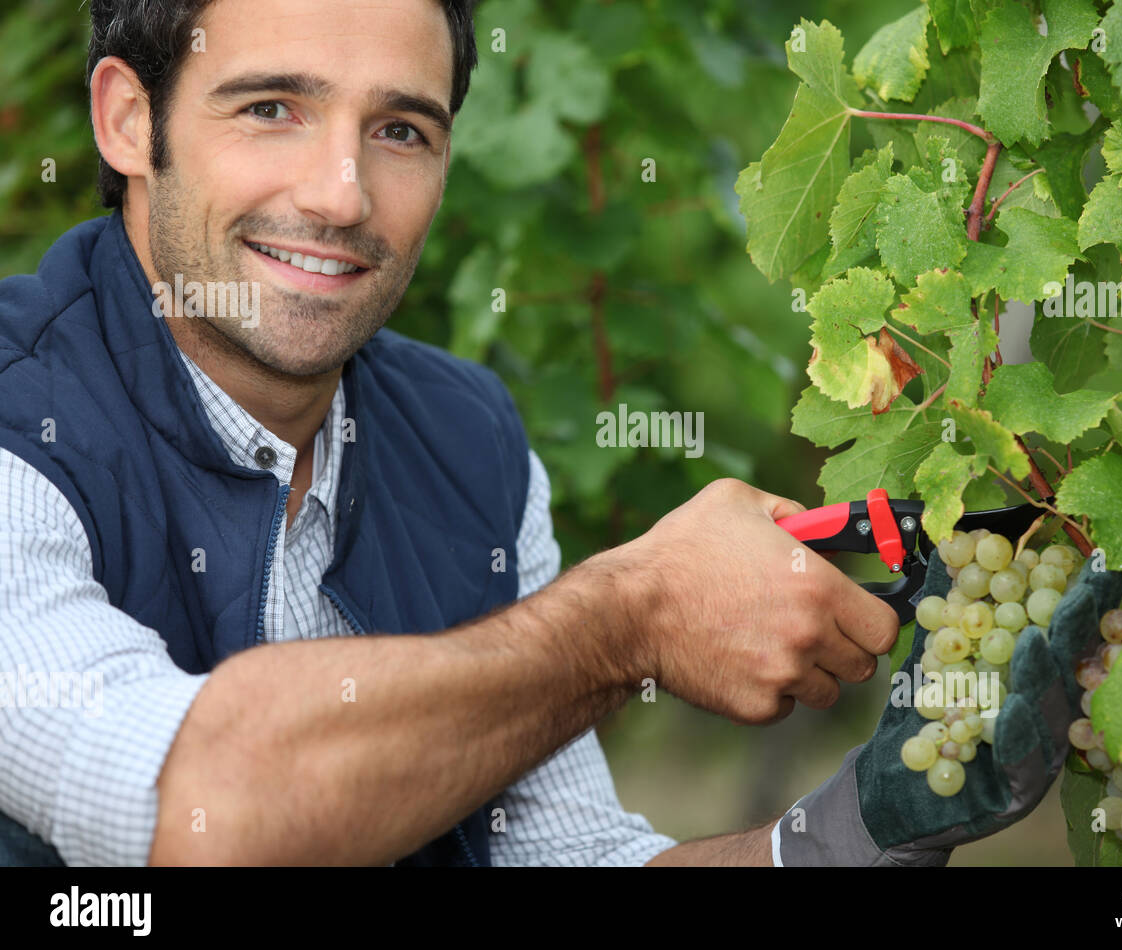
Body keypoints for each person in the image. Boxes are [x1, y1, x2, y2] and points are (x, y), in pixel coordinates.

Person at [0, 0, 901, 867]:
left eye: (400, 130)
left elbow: (569, 860)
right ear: (126, 119)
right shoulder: (18, 427)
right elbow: (209, 814)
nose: (340, 197)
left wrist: (853, 840)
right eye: (271, 109)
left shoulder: (475, 445)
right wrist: (630, 618)